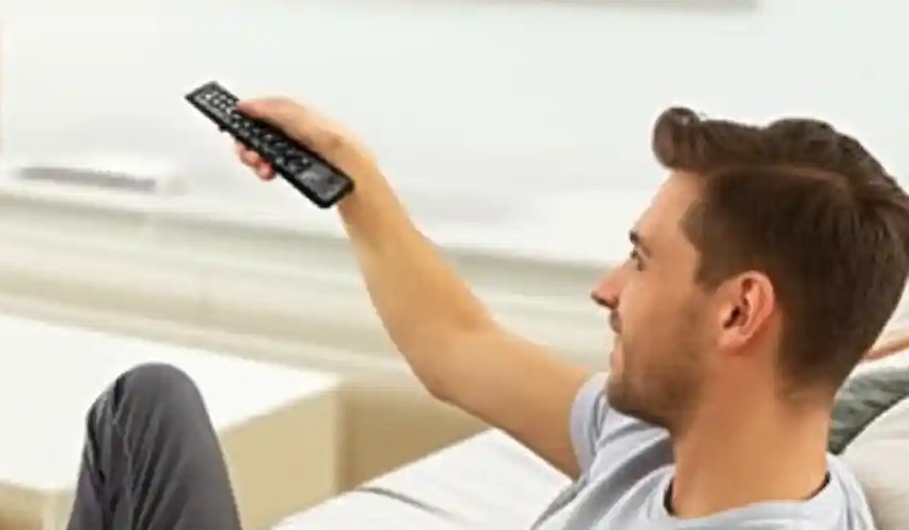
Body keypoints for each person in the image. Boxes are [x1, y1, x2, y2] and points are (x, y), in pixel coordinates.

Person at [66, 99, 909, 530]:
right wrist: (346, 173)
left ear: (739, 314)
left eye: (643, 259)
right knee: (147, 407)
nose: (607, 288)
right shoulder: (657, 442)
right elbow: (456, 344)